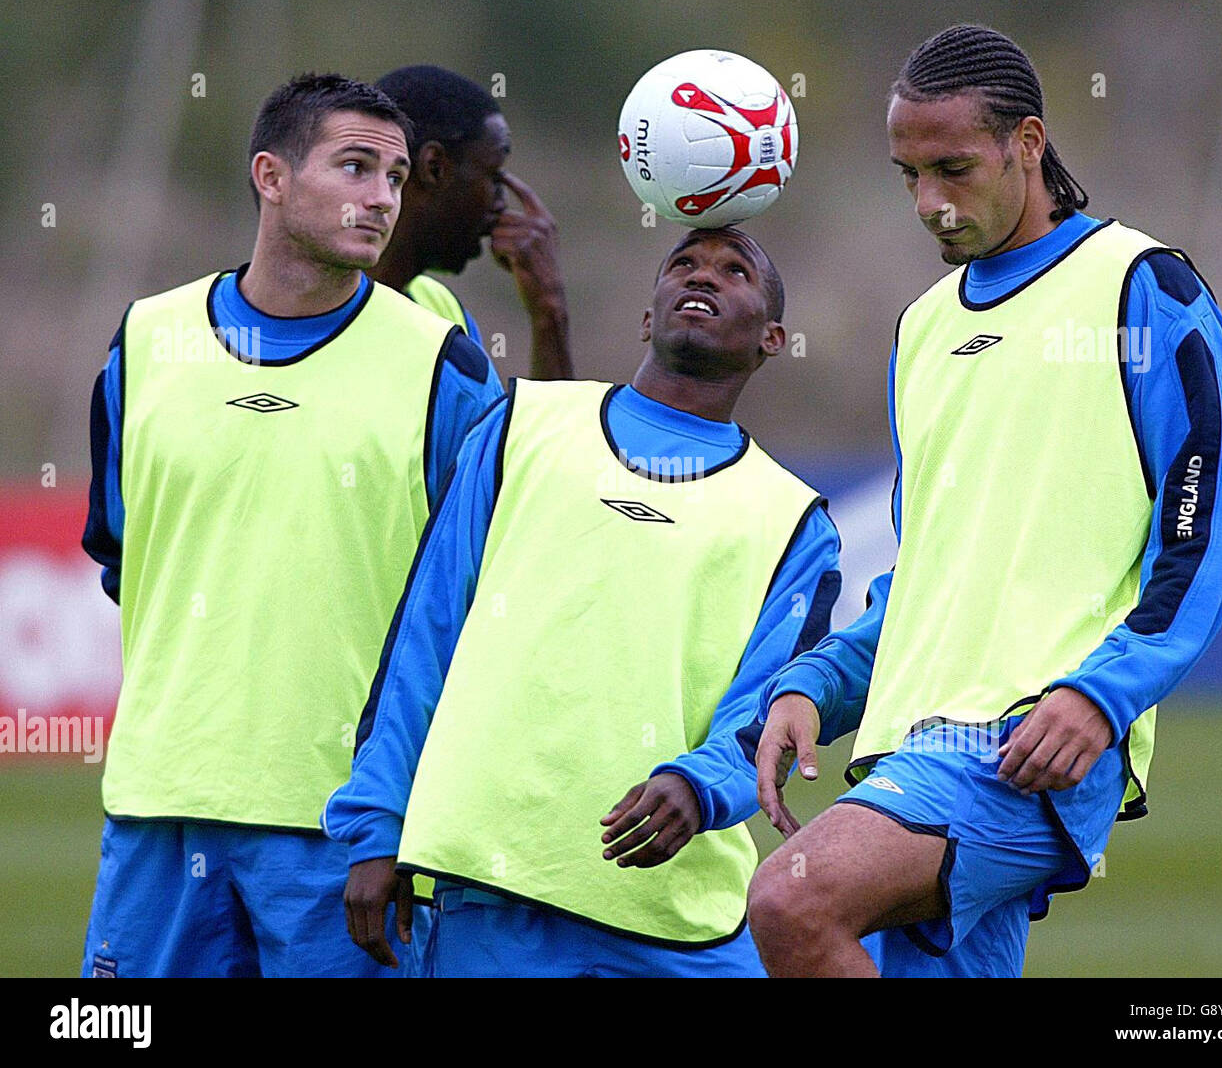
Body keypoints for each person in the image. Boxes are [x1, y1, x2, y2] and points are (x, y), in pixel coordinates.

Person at [746, 25, 1222, 978]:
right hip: (910, 744)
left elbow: (1208, 525)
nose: (931, 203)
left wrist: (1102, 694)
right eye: (908, 176)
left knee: (790, 896)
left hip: (1028, 743)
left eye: (954, 168)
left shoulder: (1142, 287)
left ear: (1028, 143)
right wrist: (815, 684)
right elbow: (929, 577)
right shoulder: (923, 331)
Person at [323, 226, 842, 977]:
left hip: (676, 923)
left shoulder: (795, 519)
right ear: (647, 314)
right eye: (685, 263)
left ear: (772, 337)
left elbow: (767, 712)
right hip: (492, 888)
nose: (705, 276)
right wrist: (377, 824)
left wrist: (698, 786)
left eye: (736, 271)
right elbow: (425, 635)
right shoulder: (520, 426)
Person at [79, 73, 503, 977]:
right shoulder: (147, 340)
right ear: (269, 176)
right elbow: (124, 551)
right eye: (354, 167)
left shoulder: (444, 366)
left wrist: (396, 813)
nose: (381, 197)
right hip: (161, 807)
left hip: (344, 827)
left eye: (393, 176)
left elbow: (480, 596)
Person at [369, 64, 572, 380]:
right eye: (493, 176)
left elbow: (531, 432)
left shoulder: (442, 309)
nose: (502, 204)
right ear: (434, 168)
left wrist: (548, 312)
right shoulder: (305, 312)